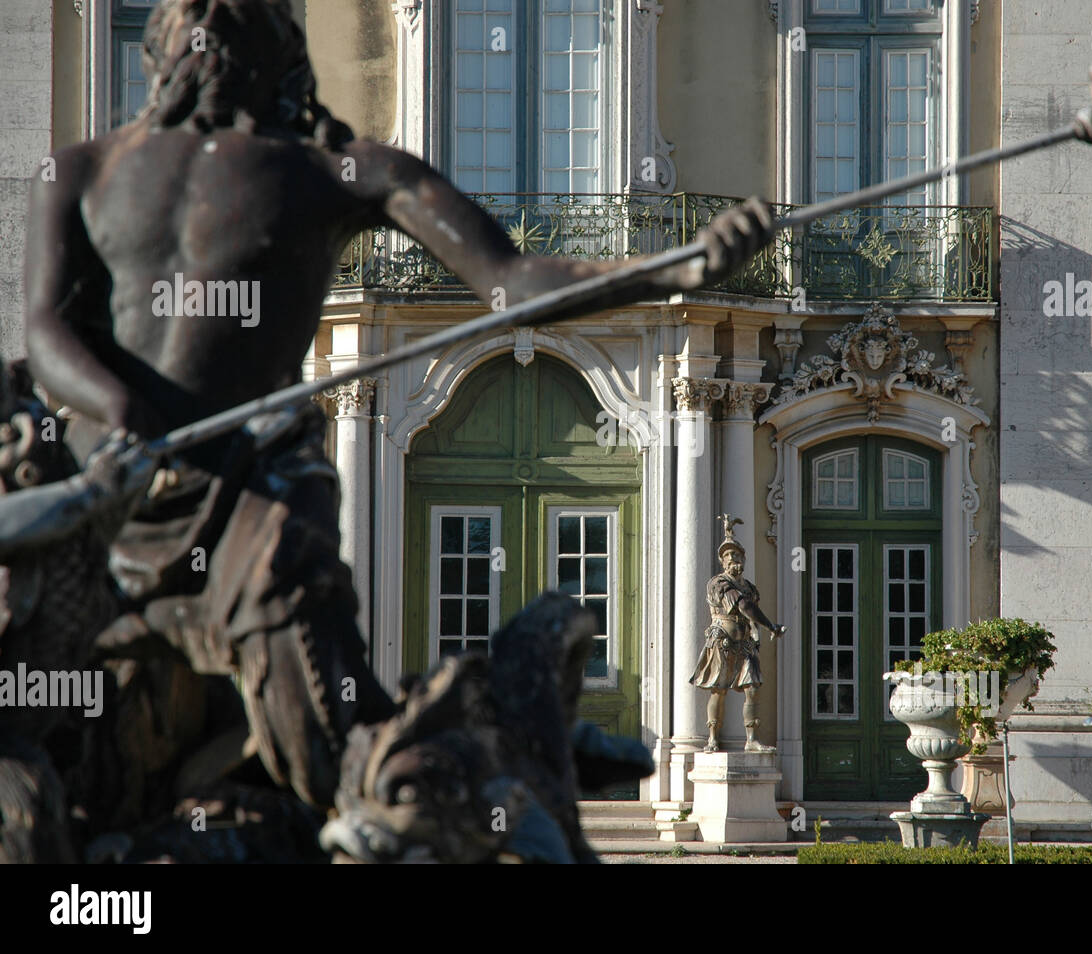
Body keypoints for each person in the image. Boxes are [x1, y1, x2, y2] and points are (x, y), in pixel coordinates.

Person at [21, 0, 774, 810]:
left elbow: (509, 284)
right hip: (116, 493)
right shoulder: (98, 172)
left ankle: (486, 749)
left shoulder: (315, 171)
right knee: (66, 727)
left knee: (324, 743)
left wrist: (676, 272)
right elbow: (46, 330)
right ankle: (495, 745)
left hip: (240, 497)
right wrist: (125, 412)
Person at [689, 516, 786, 753]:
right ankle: (712, 737)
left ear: (744, 558)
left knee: (752, 688)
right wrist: (771, 625)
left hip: (745, 643)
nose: (733, 559)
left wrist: (757, 635)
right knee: (719, 689)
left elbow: (751, 615)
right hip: (722, 640)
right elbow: (744, 607)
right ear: (722, 562)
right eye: (728, 556)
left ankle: (751, 739)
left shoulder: (751, 587)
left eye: (737, 555)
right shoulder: (719, 584)